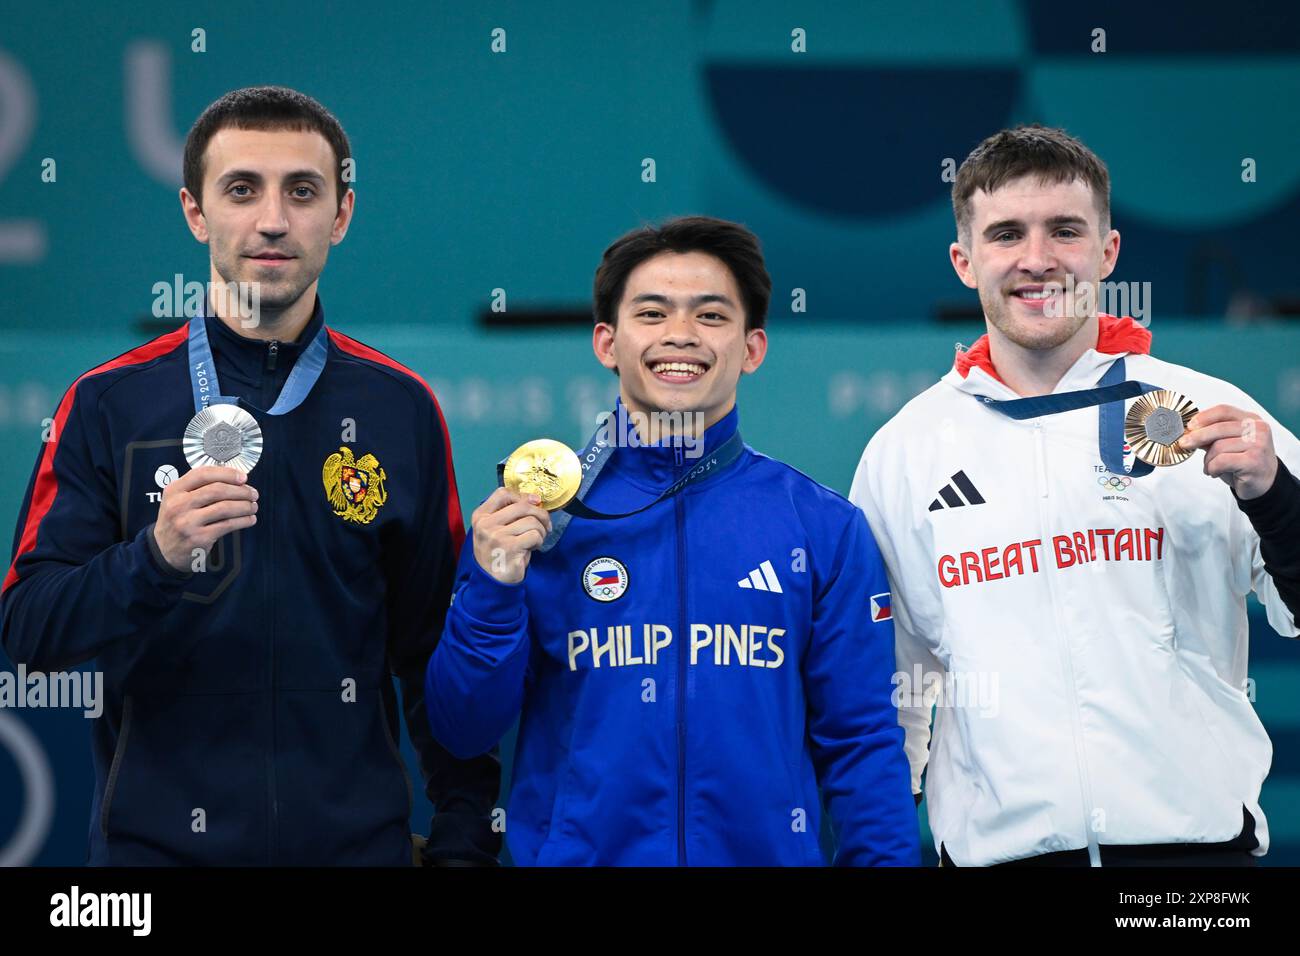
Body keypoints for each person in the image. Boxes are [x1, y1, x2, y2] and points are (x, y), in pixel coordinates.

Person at [0, 86, 498, 865]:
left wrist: (465, 841)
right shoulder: (107, 403)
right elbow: (28, 635)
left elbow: (433, 657)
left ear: (341, 215)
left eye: (303, 191)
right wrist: (152, 560)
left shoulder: (399, 409)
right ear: (196, 213)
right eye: (242, 190)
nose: (272, 220)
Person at [850, 124, 1300, 867]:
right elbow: (890, 690)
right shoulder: (905, 452)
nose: (1037, 259)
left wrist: (1276, 496)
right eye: (1006, 234)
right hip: (999, 859)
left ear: (1107, 252)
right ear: (965, 262)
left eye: (1065, 230)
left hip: (1192, 866)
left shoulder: (1214, 413)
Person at [425, 216, 919, 866]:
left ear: (752, 347)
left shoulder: (821, 526)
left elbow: (860, 742)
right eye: (652, 313)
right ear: (607, 342)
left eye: (711, 316)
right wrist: (491, 586)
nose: (680, 335)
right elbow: (462, 729)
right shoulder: (536, 520)